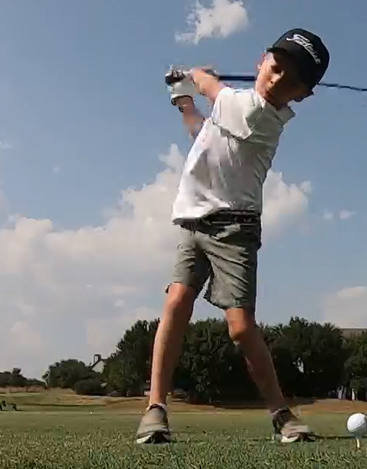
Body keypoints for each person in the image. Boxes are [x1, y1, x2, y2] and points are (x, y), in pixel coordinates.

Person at [135, 28, 330, 445]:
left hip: (235, 229)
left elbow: (213, 89)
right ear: (262, 60)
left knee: (240, 329)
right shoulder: (231, 111)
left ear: (303, 95)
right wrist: (183, 99)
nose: (277, 80)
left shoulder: (259, 115)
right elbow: (199, 134)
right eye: (275, 68)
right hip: (193, 222)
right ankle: (155, 408)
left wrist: (196, 74)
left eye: (291, 81)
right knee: (175, 303)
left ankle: (281, 414)